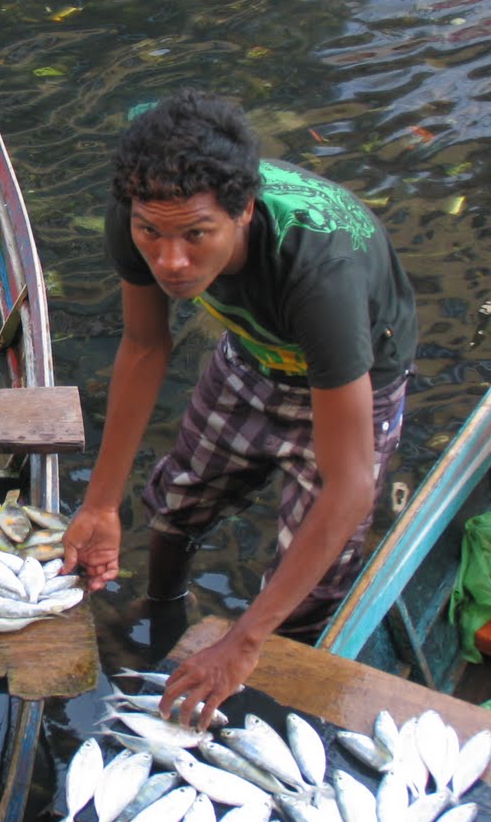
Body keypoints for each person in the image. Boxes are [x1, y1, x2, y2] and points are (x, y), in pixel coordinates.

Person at [62, 89, 416, 729]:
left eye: (197, 236)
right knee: (178, 499)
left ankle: (270, 675)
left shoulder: (320, 275)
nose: (171, 261)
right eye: (153, 233)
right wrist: (101, 506)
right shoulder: (141, 210)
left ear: (244, 212)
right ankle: (162, 608)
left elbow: (353, 484)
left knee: (314, 575)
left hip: (350, 376)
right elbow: (145, 346)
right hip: (253, 352)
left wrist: (241, 642)